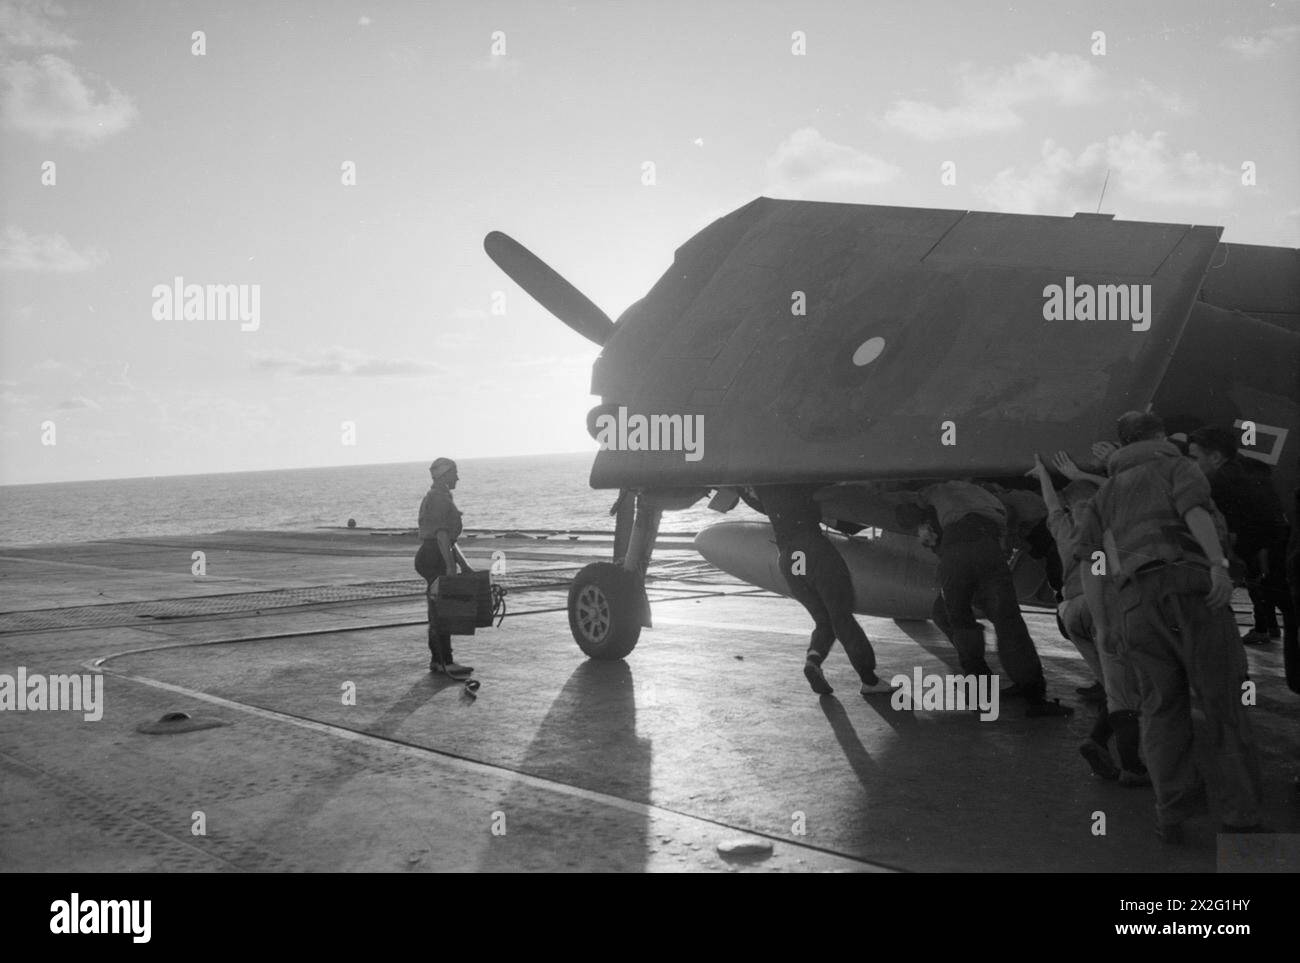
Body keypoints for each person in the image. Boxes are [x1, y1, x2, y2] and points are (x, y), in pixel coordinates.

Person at [1077, 412, 1265, 841]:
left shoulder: (1103, 493)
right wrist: (1219, 566)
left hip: (1134, 606)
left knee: (1161, 711)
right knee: (1222, 702)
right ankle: (1240, 814)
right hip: (1190, 591)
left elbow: (1091, 563)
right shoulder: (1177, 466)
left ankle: (1172, 813)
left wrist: (1105, 626)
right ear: (1160, 436)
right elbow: (1195, 512)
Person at [901, 480, 1072, 717]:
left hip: (955, 555)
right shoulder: (989, 496)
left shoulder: (932, 492)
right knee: (1008, 624)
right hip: (987, 551)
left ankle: (981, 696)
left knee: (960, 623)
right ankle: (1034, 697)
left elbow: (916, 516)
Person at [1028, 454, 1147, 784]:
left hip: (1070, 611)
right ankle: (1130, 765)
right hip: (1102, 606)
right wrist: (1082, 472)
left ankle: (1101, 744)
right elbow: (1121, 490)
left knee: (1115, 689)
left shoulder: (1064, 528)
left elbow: (1052, 504)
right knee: (1125, 692)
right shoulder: (1110, 525)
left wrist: (1043, 475)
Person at [757, 484, 894, 697]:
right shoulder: (801, 476)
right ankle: (869, 680)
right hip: (812, 549)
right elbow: (831, 495)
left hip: (789, 557)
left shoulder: (762, 485)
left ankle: (813, 661)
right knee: (841, 616)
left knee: (824, 620)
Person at [1188, 425, 1295, 648]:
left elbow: (1229, 526)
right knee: (1272, 591)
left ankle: (1265, 627)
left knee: (1264, 586)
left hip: (1258, 543)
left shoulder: (1219, 482)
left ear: (1216, 457)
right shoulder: (1247, 468)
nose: (1191, 466)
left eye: (1194, 458)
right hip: (1277, 540)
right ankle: (1267, 626)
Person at [415, 458, 473, 677]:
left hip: (433, 554)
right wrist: (450, 567)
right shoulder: (438, 498)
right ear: (444, 475)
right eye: (454, 473)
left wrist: (463, 565)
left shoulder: (441, 496)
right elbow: (441, 535)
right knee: (441, 610)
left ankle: (439, 661)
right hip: (434, 557)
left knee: (439, 609)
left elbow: (448, 539)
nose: (457, 477)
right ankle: (444, 662)